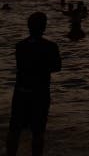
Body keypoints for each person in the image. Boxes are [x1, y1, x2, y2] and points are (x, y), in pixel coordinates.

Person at [6, 12, 62, 156]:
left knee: (15, 130)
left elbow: (21, 67)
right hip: (40, 93)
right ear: (43, 27)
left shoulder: (20, 46)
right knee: (38, 132)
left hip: (21, 93)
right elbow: (57, 67)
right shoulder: (50, 46)